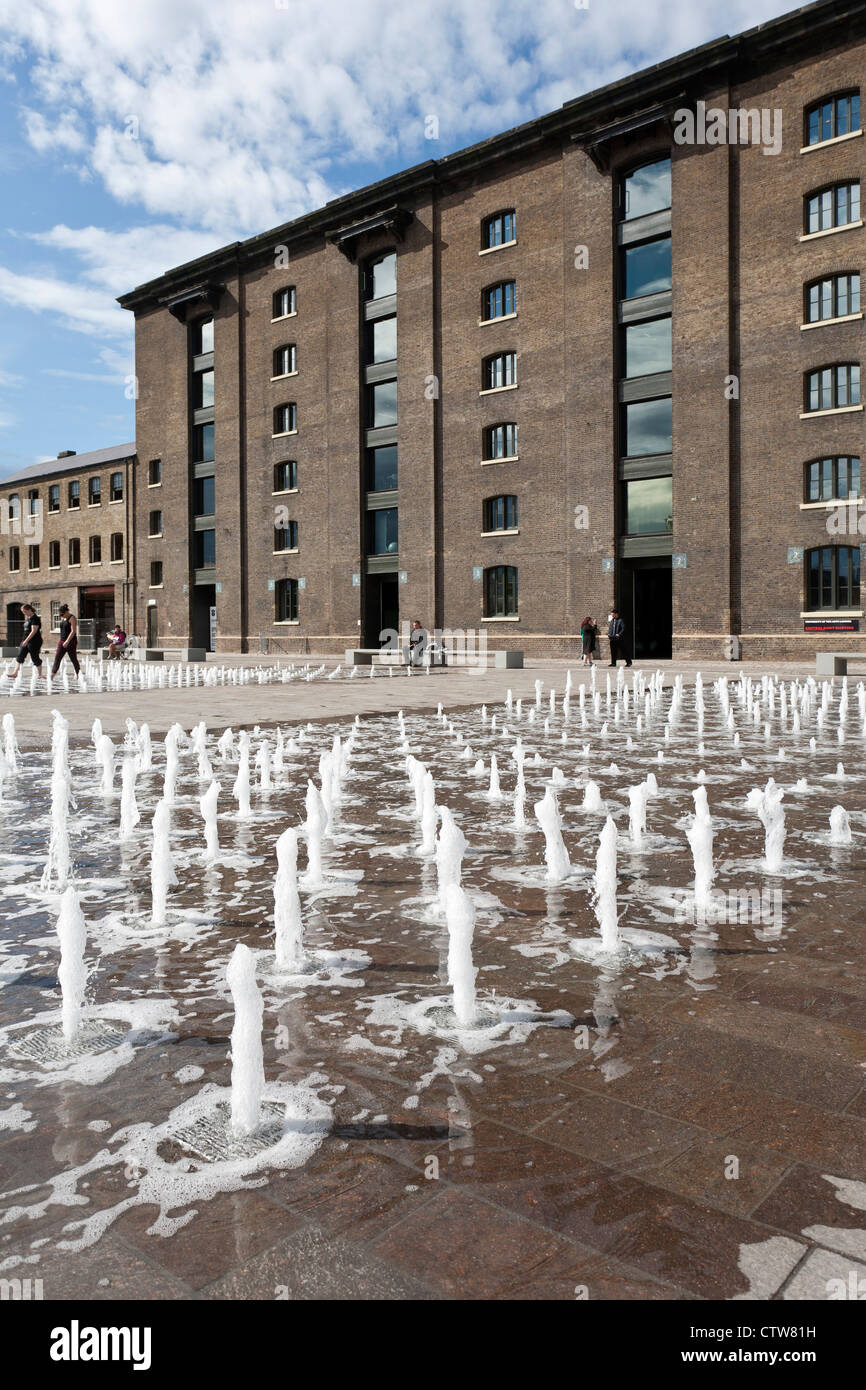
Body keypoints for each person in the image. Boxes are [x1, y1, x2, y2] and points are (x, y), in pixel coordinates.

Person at [7, 603, 43, 679]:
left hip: (34, 641)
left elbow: (34, 631)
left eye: (24, 611)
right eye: (23, 612)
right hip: (25, 640)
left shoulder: (35, 619)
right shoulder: (29, 619)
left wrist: (26, 641)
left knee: (35, 657)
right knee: (20, 656)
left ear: (29, 610)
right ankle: (15, 673)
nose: (24, 613)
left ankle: (40, 674)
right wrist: (24, 640)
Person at [51, 605, 80, 681]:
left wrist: (67, 641)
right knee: (57, 658)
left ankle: (78, 674)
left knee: (73, 658)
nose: (61, 616)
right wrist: (62, 641)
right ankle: (51, 676)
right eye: (60, 614)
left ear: (67, 611)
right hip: (62, 641)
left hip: (71, 641)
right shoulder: (63, 618)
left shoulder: (72, 618)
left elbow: (73, 631)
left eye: (62, 614)